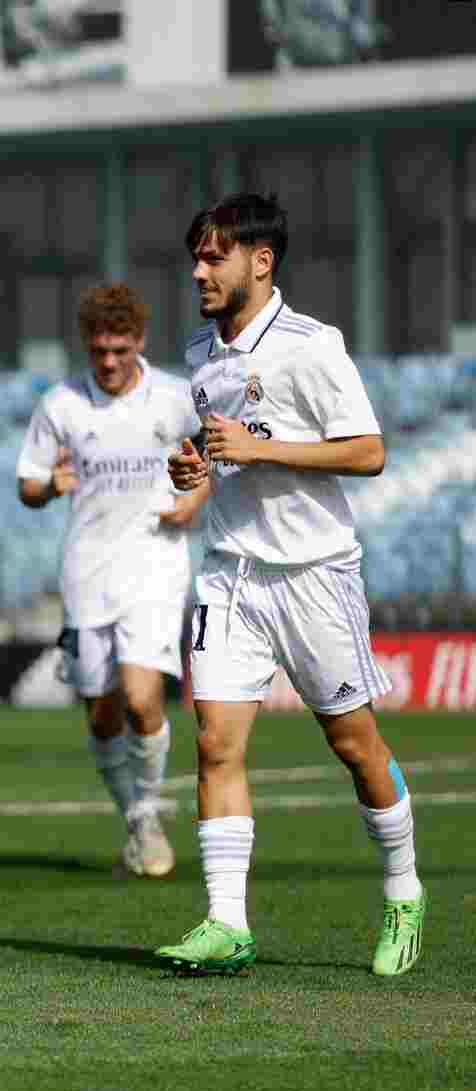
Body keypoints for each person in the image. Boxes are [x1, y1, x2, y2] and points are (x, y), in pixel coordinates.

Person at [159, 192, 424, 976]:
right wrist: (195, 468)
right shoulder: (199, 352)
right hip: (232, 572)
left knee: (354, 744)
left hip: (314, 572)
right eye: (196, 256)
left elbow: (369, 451)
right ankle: (225, 921)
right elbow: (223, 451)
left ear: (260, 261)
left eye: (214, 256)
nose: (198, 269)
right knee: (214, 742)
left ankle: (405, 888)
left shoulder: (313, 346)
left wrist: (263, 449)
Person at [16, 283, 207, 878]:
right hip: (87, 571)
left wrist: (197, 494)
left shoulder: (175, 398)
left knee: (145, 698)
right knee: (103, 713)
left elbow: (214, 457)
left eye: (120, 349)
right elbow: (27, 484)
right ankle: (136, 817)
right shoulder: (62, 405)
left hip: (156, 564)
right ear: (87, 346)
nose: (109, 361)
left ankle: (148, 815)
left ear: (140, 342)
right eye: (99, 350)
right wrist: (51, 486)